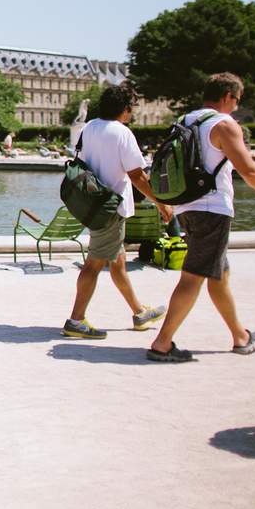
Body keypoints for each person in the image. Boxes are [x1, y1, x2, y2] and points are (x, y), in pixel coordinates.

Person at [148, 73, 255, 362]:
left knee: (219, 274)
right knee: (192, 277)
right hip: (212, 209)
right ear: (226, 96)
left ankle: (240, 336)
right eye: (237, 100)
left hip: (186, 207)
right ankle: (162, 343)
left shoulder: (186, 120)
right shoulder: (224, 124)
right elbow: (248, 171)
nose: (237, 106)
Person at [60, 83, 172, 340]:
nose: (132, 112)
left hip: (93, 203)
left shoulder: (89, 128)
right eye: (132, 107)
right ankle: (76, 320)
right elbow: (137, 175)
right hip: (110, 206)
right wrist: (161, 202)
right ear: (124, 108)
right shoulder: (122, 133)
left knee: (118, 263)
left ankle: (139, 312)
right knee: (93, 265)